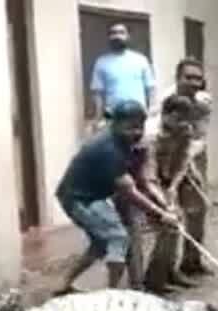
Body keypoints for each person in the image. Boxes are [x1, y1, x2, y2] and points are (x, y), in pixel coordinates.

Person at [54, 100, 180, 294]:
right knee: (118, 238)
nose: (136, 132)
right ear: (116, 124)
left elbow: (143, 180)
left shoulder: (126, 143)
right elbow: (129, 192)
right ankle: (112, 295)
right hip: (79, 199)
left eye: (139, 126)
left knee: (100, 245)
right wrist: (161, 215)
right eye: (130, 127)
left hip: (91, 195)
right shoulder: (108, 149)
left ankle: (63, 285)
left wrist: (164, 205)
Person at [142, 94, 199, 294]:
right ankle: (154, 280)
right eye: (178, 119)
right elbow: (148, 174)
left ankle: (170, 272)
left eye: (185, 120)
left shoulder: (185, 130)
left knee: (176, 224)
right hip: (143, 180)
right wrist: (164, 202)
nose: (182, 125)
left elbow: (183, 161)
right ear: (166, 115)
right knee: (164, 226)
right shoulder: (150, 135)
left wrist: (173, 187)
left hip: (167, 179)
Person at [89, 23, 157, 127]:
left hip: (138, 116)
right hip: (113, 117)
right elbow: (98, 92)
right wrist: (97, 118)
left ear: (128, 36)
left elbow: (150, 87)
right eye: (113, 33)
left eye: (121, 33)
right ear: (109, 37)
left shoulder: (140, 60)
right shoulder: (101, 62)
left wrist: (152, 109)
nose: (117, 36)